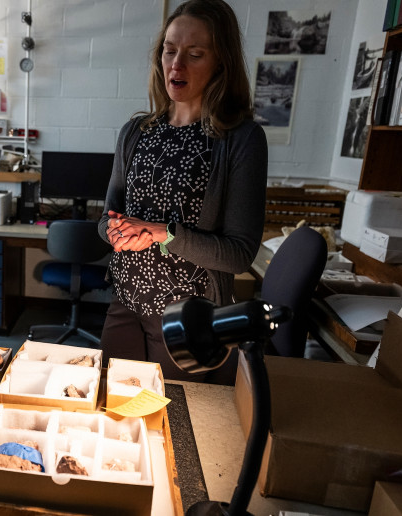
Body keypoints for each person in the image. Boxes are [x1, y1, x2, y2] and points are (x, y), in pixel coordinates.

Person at [98, 0, 268, 384]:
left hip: (187, 319)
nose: (177, 64)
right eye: (170, 50)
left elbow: (240, 253)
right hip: (125, 303)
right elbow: (105, 219)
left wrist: (164, 233)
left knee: (173, 426)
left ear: (220, 63)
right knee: (111, 411)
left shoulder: (240, 139)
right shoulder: (136, 133)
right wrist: (116, 232)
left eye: (195, 54)